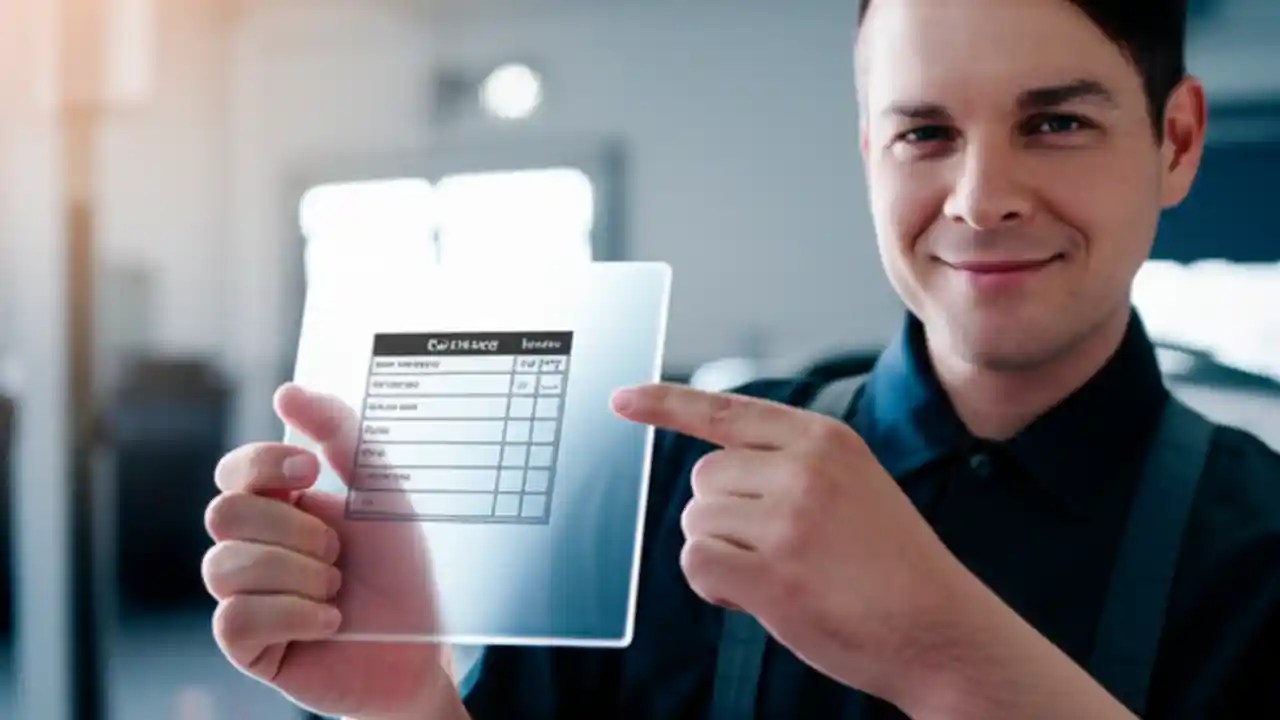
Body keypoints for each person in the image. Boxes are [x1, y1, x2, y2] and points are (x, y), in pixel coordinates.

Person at [201, 0, 1280, 717]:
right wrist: (406, 705)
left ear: (1174, 142)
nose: (978, 197)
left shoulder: (1261, 550)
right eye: (923, 133)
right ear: (868, 151)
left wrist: (938, 647)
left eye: (1052, 124)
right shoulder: (654, 478)